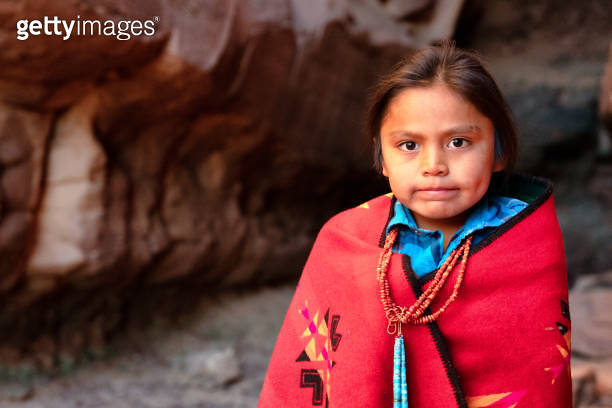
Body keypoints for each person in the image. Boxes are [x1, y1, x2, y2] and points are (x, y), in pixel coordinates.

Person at [259, 41, 572, 407]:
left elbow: (536, 376)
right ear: (382, 158)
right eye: (409, 145)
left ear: (498, 151)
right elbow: (316, 370)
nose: (433, 165)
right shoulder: (348, 243)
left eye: (459, 142)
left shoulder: (526, 242)